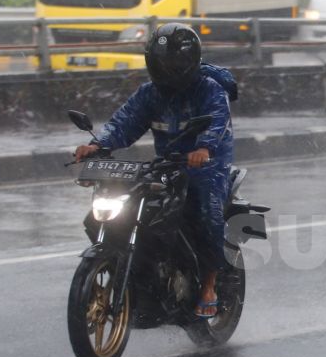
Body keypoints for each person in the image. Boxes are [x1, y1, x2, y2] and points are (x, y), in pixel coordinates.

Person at [73, 23, 234, 318]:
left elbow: (216, 122)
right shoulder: (150, 93)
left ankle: (209, 285)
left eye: (171, 64)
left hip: (208, 163)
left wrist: (204, 148)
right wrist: (97, 145)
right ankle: (140, 274)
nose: (165, 70)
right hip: (167, 162)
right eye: (160, 64)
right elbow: (124, 122)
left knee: (205, 211)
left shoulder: (209, 89)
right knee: (128, 208)